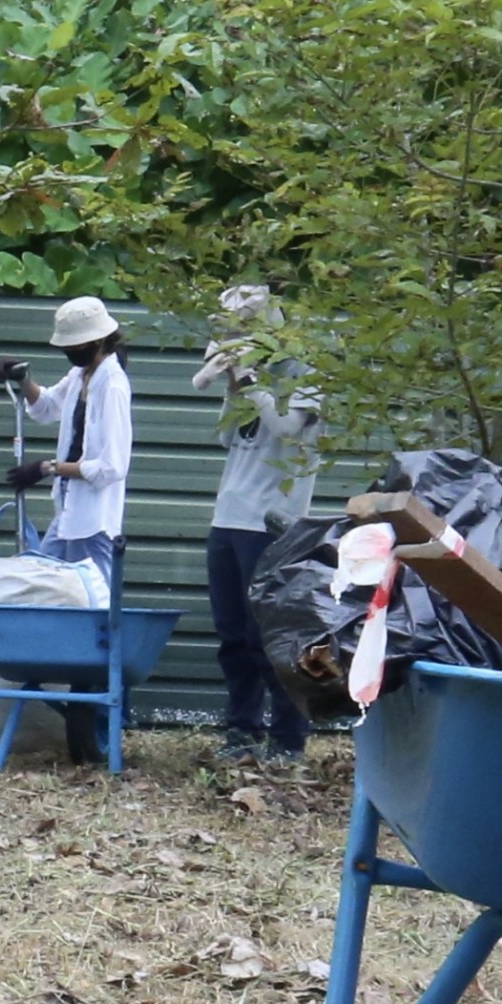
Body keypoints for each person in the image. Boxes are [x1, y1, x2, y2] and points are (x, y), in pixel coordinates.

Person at [0, 296, 134, 761]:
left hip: (96, 522)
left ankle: (98, 722)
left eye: (75, 347)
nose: (70, 354)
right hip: (68, 514)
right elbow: (46, 408)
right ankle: (63, 702)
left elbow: (112, 465)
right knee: (43, 587)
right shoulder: (81, 376)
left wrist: (49, 467)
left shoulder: (113, 385)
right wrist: (24, 381)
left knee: (95, 618)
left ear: (98, 340)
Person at [193, 283, 319, 764]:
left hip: (273, 521)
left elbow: (288, 430)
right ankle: (241, 731)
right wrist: (231, 382)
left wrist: (252, 379)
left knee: (269, 634)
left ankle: (287, 740)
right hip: (228, 517)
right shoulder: (248, 374)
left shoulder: (305, 370)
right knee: (233, 635)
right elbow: (227, 436)